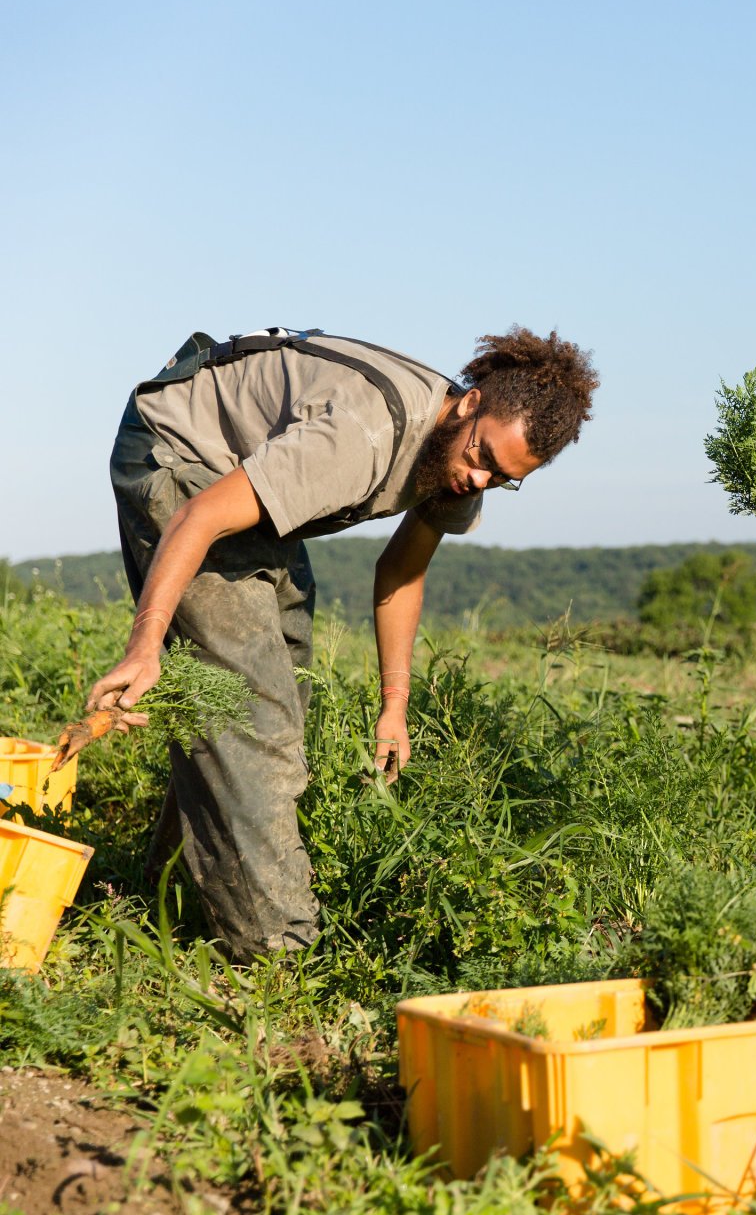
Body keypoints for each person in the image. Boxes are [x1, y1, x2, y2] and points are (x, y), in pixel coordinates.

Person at [86, 325, 599, 960]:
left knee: (283, 687)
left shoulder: (457, 457)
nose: (480, 481)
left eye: (504, 479)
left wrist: (395, 705)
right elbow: (201, 515)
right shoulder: (363, 437)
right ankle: (280, 951)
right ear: (470, 404)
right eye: (484, 458)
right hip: (178, 455)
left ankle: (159, 892)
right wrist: (146, 645)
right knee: (252, 718)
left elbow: (401, 572)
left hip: (238, 475)